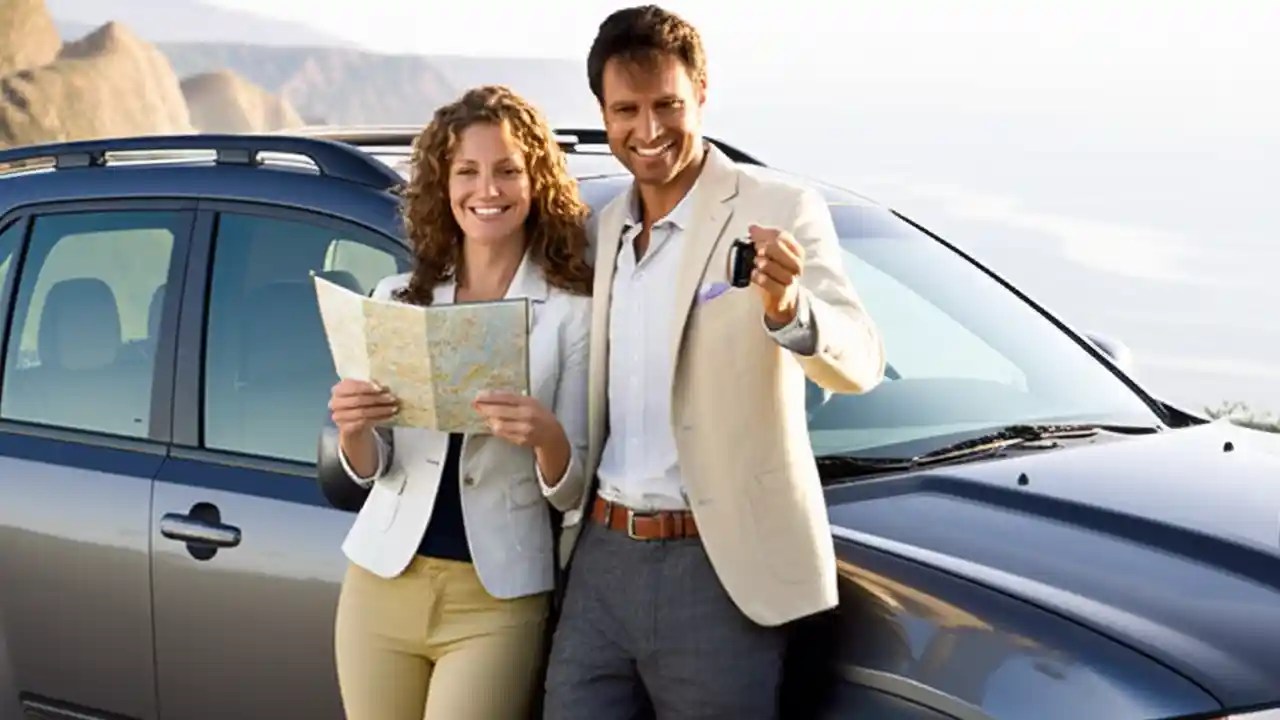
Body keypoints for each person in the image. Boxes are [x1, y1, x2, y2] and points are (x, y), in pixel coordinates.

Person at [540, 6, 886, 719]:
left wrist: (789, 309)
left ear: (701, 91)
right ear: (603, 112)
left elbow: (861, 362)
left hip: (716, 566)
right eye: (626, 110)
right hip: (601, 558)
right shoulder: (601, 227)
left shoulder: (777, 206)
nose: (648, 130)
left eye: (667, 104)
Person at [327, 84, 593, 720]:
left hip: (496, 598)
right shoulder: (398, 298)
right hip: (380, 583)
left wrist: (546, 436)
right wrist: (352, 431)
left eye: (507, 171)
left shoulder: (571, 316)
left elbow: (576, 490)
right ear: (443, 187)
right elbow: (372, 469)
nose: (487, 190)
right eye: (467, 172)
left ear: (536, 182)